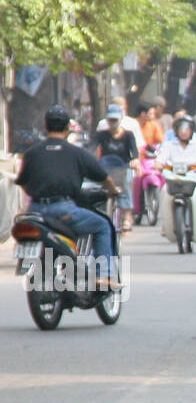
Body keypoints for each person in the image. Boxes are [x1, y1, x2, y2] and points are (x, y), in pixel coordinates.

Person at [17, 105, 122, 286]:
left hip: (35, 212)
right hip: (63, 211)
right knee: (103, 225)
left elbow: (24, 184)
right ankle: (102, 275)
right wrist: (114, 190)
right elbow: (104, 178)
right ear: (67, 128)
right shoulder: (77, 153)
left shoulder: (31, 153)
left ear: (46, 125)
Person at [156, 116, 196, 243]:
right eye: (181, 129)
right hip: (174, 179)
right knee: (164, 192)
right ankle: (167, 226)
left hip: (194, 178)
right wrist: (159, 165)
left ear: (192, 130)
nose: (184, 132)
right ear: (176, 131)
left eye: (187, 129)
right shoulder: (169, 145)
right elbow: (160, 160)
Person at [95, 104, 139, 233]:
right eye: (110, 120)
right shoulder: (101, 135)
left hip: (123, 167)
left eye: (115, 120)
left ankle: (127, 216)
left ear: (120, 119)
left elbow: (134, 152)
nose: (113, 123)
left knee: (126, 184)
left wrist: (135, 160)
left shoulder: (128, 135)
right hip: (106, 167)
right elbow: (92, 147)